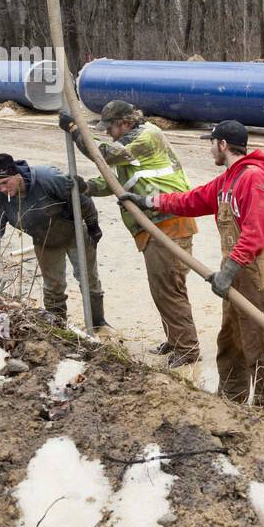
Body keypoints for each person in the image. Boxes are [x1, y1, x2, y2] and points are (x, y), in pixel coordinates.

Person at [120, 120, 264, 415]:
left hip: (256, 275)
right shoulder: (228, 181)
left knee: (262, 346)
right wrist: (148, 201)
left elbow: (256, 231)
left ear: (222, 144)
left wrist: (231, 269)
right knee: (231, 342)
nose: (210, 149)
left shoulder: (253, 179)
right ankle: (230, 403)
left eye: (212, 143)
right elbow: (191, 200)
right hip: (234, 275)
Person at [59, 101, 201, 366]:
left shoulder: (147, 136)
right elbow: (115, 181)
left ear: (124, 123)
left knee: (169, 288)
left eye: (110, 128)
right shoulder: (131, 146)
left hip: (167, 223)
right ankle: (176, 339)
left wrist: (75, 129)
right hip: (156, 226)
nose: (110, 133)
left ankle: (187, 349)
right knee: (162, 288)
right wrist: (87, 186)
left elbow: (104, 155)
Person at [0, 153, 107, 327]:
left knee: (88, 280)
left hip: (75, 234)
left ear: (16, 174)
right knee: (53, 287)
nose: (3, 189)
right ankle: (57, 326)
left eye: (5, 182)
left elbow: (79, 196)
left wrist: (93, 223)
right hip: (45, 241)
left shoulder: (47, 178)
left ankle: (98, 322)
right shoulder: (0, 201)